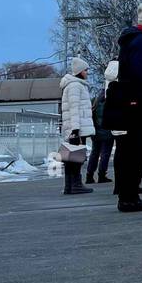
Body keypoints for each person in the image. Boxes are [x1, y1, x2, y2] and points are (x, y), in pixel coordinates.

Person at [104, 2, 142, 213]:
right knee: (136, 152)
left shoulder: (134, 41)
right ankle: (129, 198)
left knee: (130, 152)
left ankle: (129, 196)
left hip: (135, 104)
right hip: (140, 105)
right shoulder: (140, 42)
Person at [59, 56, 95, 195]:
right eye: (86, 70)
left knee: (71, 157)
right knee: (76, 158)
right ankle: (76, 185)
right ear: (79, 71)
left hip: (74, 127)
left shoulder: (73, 85)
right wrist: (75, 129)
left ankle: (70, 186)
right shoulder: (75, 85)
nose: (87, 73)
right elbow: (74, 108)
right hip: (77, 127)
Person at [85, 62, 115, 184]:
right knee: (105, 154)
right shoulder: (110, 103)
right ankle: (102, 175)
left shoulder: (95, 103)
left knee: (94, 153)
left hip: (96, 132)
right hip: (107, 132)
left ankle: (89, 175)